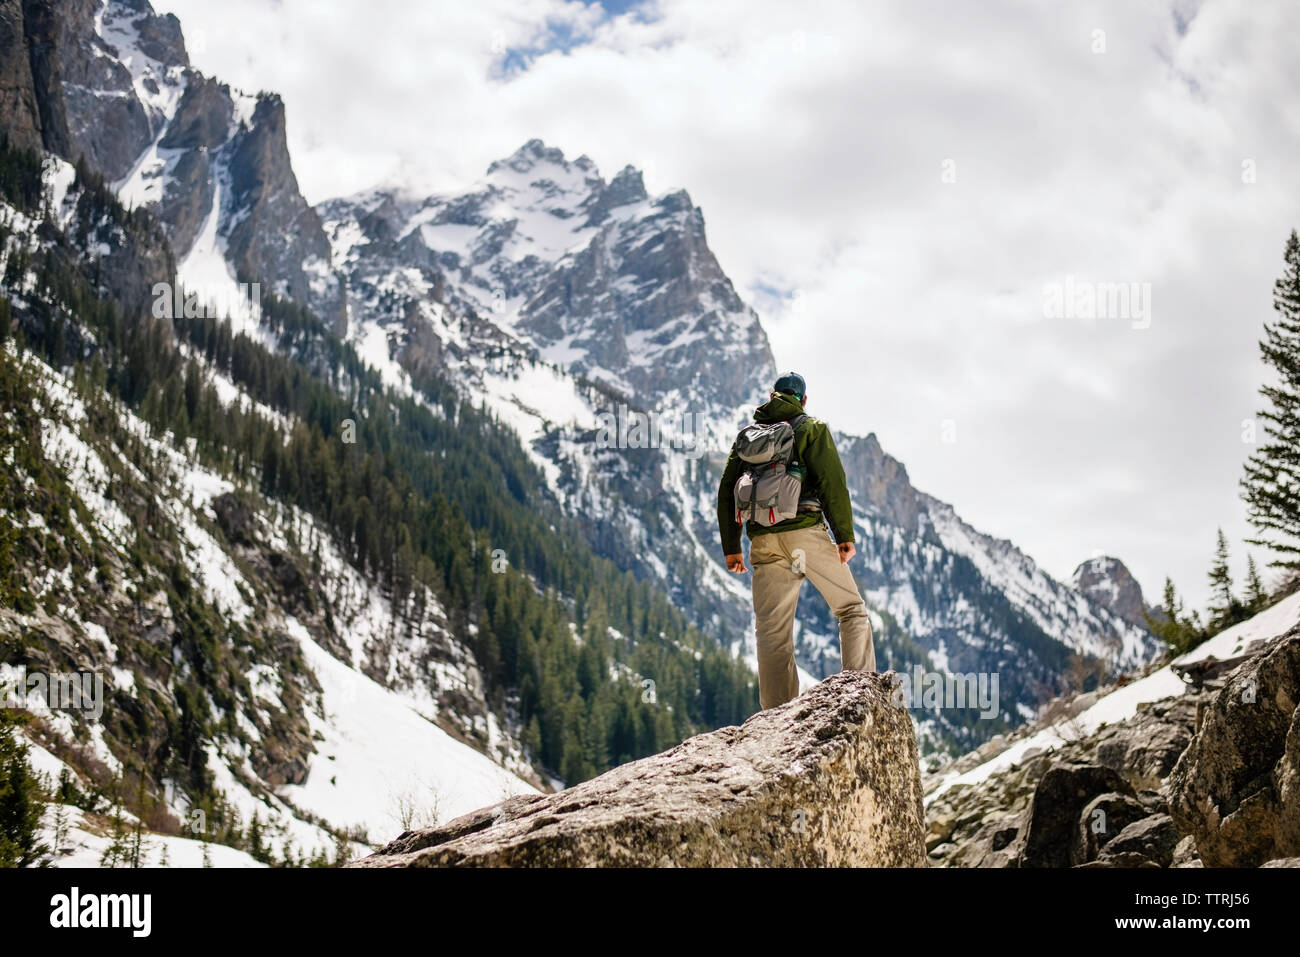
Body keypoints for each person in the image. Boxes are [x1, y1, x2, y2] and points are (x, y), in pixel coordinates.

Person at [717, 372, 876, 709]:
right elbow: (833, 483)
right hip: (805, 534)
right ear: (803, 401)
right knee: (850, 610)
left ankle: (777, 715)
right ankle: (860, 695)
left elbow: (726, 492)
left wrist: (732, 548)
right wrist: (844, 535)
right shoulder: (812, 428)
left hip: (763, 542)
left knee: (773, 632)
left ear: (772, 396)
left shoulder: (747, 437)